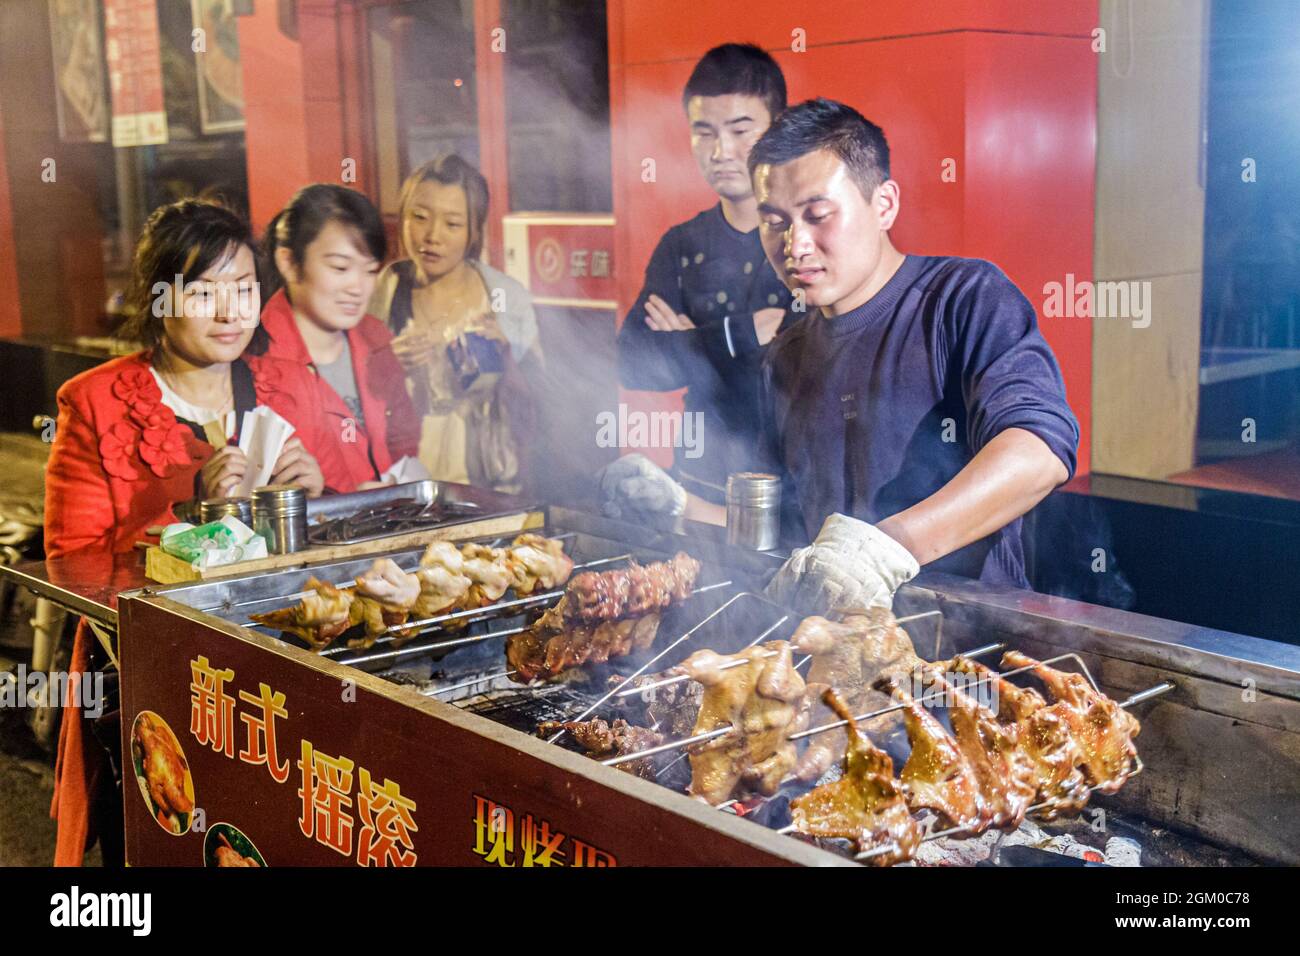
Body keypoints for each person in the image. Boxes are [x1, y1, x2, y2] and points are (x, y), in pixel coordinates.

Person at [43, 198, 328, 865]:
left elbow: (347, 532)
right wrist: (188, 510)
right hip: (156, 679)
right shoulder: (94, 403)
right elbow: (68, 566)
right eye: (204, 292)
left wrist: (318, 493)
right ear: (159, 298)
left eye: (244, 289)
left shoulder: (291, 387)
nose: (231, 312)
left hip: (285, 665)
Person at [748, 99, 1080, 615]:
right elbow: (782, 512)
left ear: (883, 205)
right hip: (835, 653)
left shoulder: (964, 298)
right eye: (774, 222)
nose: (795, 245)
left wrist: (886, 548)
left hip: (971, 652)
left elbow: (1039, 449)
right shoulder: (787, 356)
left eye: (817, 216)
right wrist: (678, 508)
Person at [611, 43, 794, 523]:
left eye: (740, 130)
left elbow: (809, 363)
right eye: (703, 131)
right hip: (698, 484)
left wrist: (686, 345)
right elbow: (632, 363)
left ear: (778, 127)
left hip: (794, 494)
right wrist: (739, 335)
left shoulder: (808, 237)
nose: (721, 152)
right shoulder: (682, 244)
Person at [369, 154, 542, 494]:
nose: (432, 236)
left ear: (475, 230)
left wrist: (505, 354)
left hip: (490, 482)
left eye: (452, 224)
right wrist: (386, 364)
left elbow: (541, 397)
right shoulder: (386, 287)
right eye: (419, 217)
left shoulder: (506, 296)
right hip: (406, 480)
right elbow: (353, 384)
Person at [257, 184, 422, 493]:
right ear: (289, 262)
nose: (357, 288)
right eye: (340, 267)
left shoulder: (376, 338)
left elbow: (404, 439)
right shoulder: (259, 361)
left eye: (370, 271)